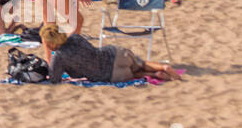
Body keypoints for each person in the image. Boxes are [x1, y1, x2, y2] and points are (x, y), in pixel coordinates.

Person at [40, 23, 178, 84]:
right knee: (140, 64)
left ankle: (153, 75)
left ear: (51, 43)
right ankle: (162, 68)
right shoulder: (76, 37)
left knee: (134, 74)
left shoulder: (59, 56)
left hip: (110, 74)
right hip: (116, 54)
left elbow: (54, 79)